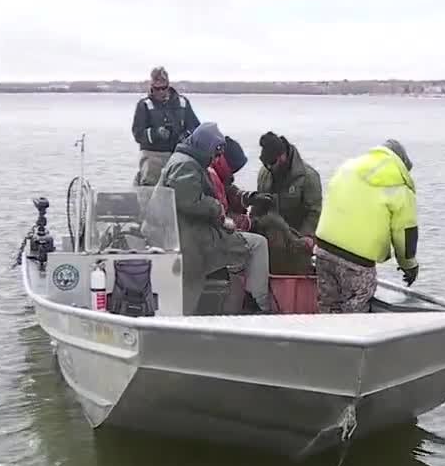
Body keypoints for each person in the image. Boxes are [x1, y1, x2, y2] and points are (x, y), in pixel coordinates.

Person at [157, 122, 274, 315]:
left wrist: (248, 199)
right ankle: (257, 305)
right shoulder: (187, 165)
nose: (216, 159)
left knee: (195, 285)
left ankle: (228, 306)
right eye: (216, 153)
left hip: (185, 231)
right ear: (209, 148)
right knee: (258, 244)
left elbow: (228, 192)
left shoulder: (185, 160)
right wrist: (219, 209)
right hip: (191, 237)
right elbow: (189, 201)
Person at [313, 139, 419, 313]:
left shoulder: (347, 167)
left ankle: (329, 337)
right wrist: (409, 266)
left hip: (324, 250)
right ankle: (350, 338)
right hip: (357, 262)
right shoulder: (399, 187)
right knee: (356, 310)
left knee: (328, 306)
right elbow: (405, 234)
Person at [132, 66, 200, 186]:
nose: (160, 92)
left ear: (168, 85)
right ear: (151, 87)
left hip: (178, 154)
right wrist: (156, 133)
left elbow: (195, 127)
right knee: (150, 186)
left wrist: (185, 136)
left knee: (181, 187)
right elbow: (138, 134)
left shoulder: (183, 102)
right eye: (156, 89)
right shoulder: (144, 105)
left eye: (163, 88)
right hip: (153, 155)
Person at [255, 132, 323, 238]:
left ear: (282, 156)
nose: (268, 166)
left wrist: (302, 238)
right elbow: (259, 206)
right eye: (265, 163)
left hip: (297, 238)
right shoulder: (264, 173)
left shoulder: (308, 177)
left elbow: (314, 213)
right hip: (269, 238)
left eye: (272, 162)